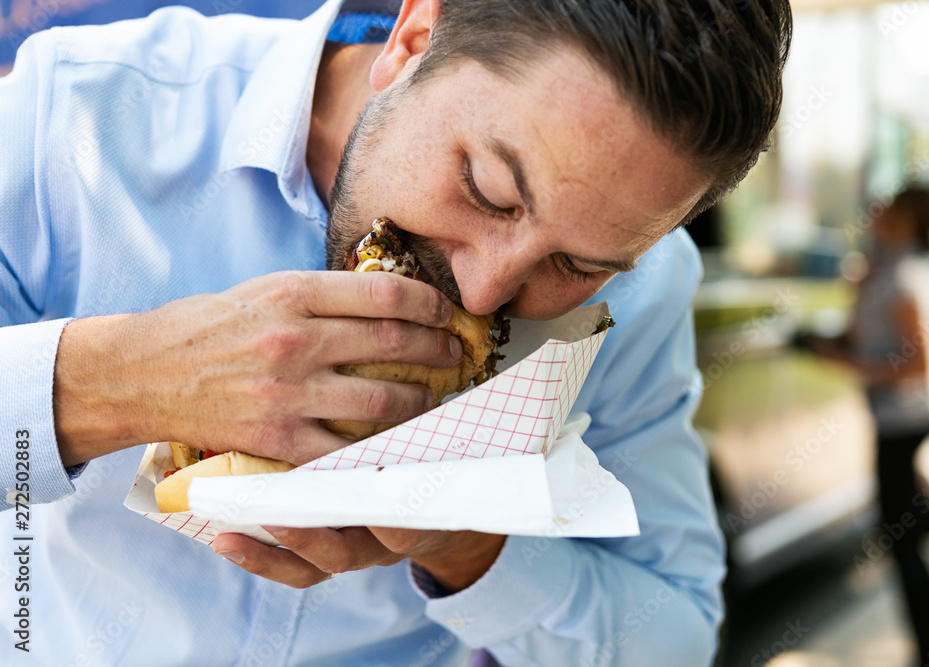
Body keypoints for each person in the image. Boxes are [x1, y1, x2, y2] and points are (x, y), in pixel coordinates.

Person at [0, 0, 791, 664]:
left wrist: (466, 548)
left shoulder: (644, 288)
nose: (486, 287)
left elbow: (677, 632)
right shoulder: (77, 111)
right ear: (414, 37)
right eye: (487, 188)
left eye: (577, 264)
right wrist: (118, 379)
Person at [810, 186, 929, 666]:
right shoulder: (882, 269)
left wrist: (849, 363)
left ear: (907, 218)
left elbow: (917, 366)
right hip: (889, 422)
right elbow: (857, 333)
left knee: (901, 542)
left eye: (889, 208)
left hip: (902, 423)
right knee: (901, 533)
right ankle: (927, 510)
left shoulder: (904, 278)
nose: (877, 213)